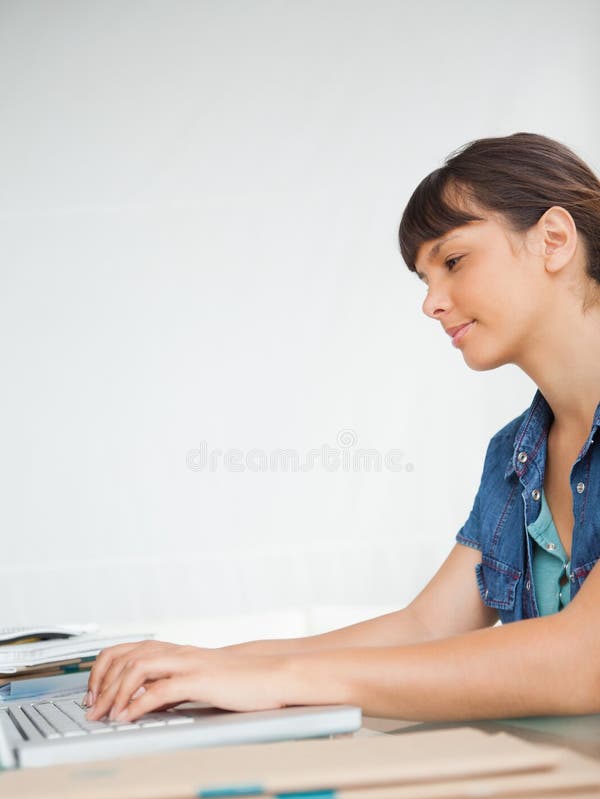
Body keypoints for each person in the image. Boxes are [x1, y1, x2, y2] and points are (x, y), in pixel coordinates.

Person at [85, 132, 600, 725]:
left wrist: (281, 680)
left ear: (554, 240)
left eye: (453, 261)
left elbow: (586, 657)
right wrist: (203, 666)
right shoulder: (516, 455)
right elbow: (426, 627)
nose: (431, 303)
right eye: (424, 279)